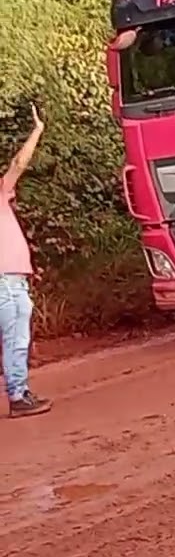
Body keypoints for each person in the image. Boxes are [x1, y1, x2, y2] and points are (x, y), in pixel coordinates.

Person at [1, 104, 51, 418]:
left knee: (14, 338)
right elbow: (20, 162)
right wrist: (37, 131)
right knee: (15, 339)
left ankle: (19, 391)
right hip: (7, 282)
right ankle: (18, 396)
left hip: (11, 281)